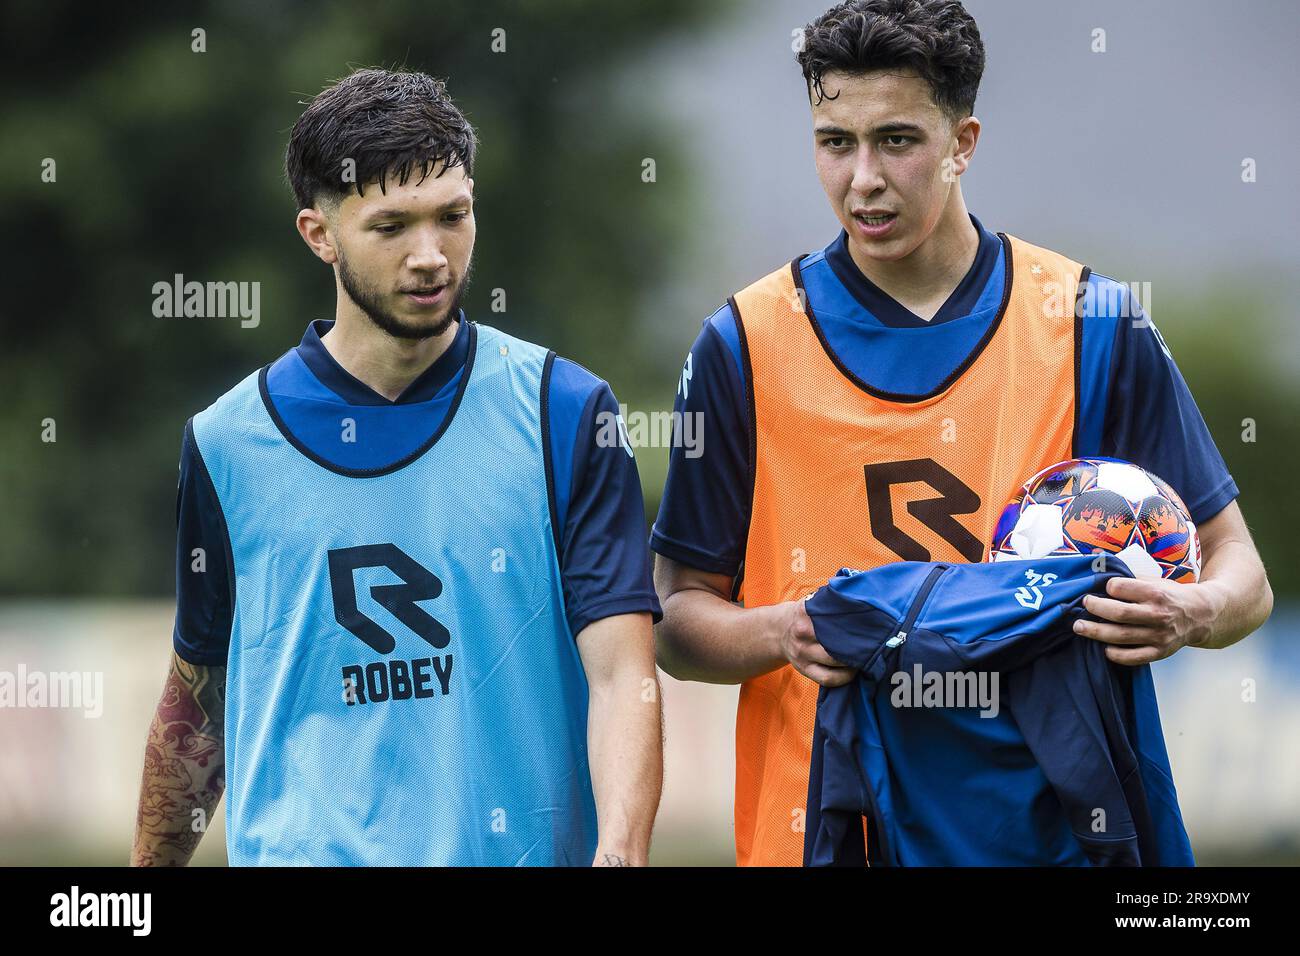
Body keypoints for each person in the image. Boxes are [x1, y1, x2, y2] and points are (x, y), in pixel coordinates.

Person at [651, 0, 1272, 866]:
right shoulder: (744, 345)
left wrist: (1190, 610)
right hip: (827, 831)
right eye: (836, 142)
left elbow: (1241, 570)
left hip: (1050, 837)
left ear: (963, 143)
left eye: (897, 141)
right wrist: (783, 631)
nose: (863, 178)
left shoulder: (1090, 323)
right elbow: (677, 619)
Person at [131, 68, 663, 866]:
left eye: (453, 216)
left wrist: (620, 854)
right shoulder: (225, 443)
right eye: (391, 227)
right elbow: (197, 704)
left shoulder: (566, 413)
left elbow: (625, 680)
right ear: (319, 234)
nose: (430, 257)